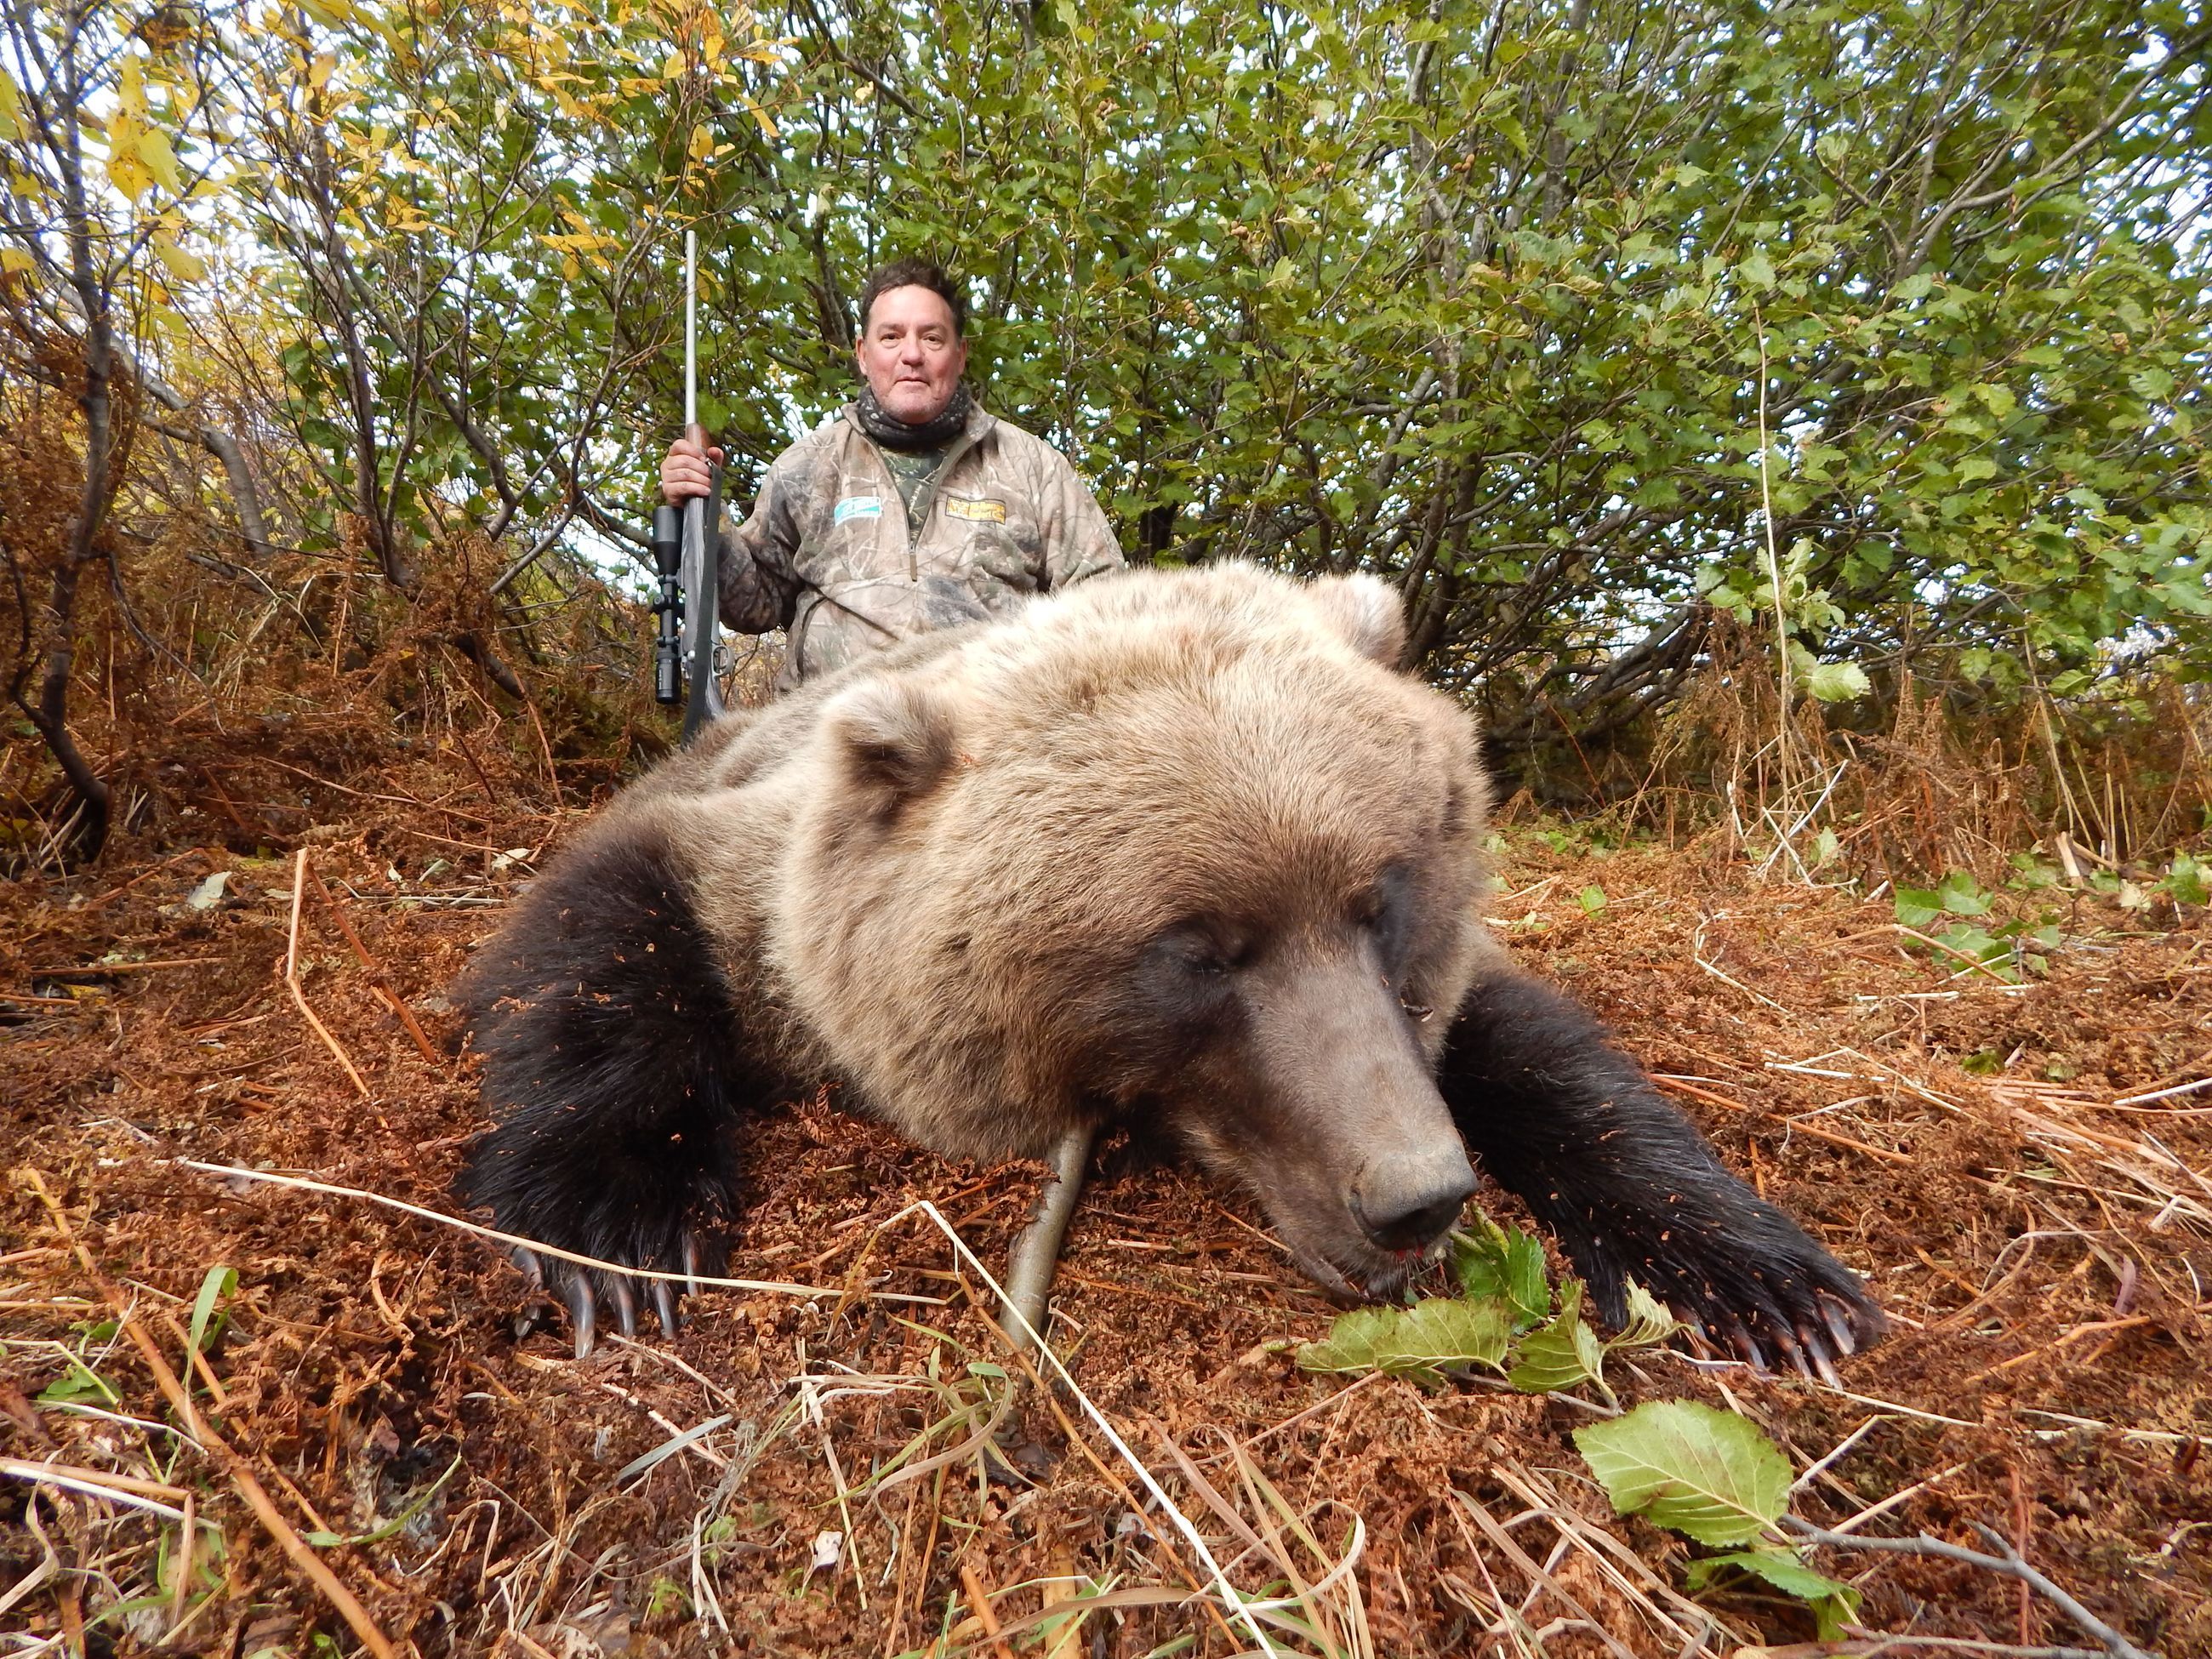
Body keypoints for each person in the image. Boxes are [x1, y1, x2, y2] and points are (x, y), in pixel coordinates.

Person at [660, 258, 1125, 691]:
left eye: (932, 338)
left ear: (960, 355)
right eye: (891, 337)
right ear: (863, 354)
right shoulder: (807, 466)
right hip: (824, 738)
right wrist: (704, 514)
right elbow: (753, 605)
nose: (912, 355)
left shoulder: (1034, 468)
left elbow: (1104, 605)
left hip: (986, 738)